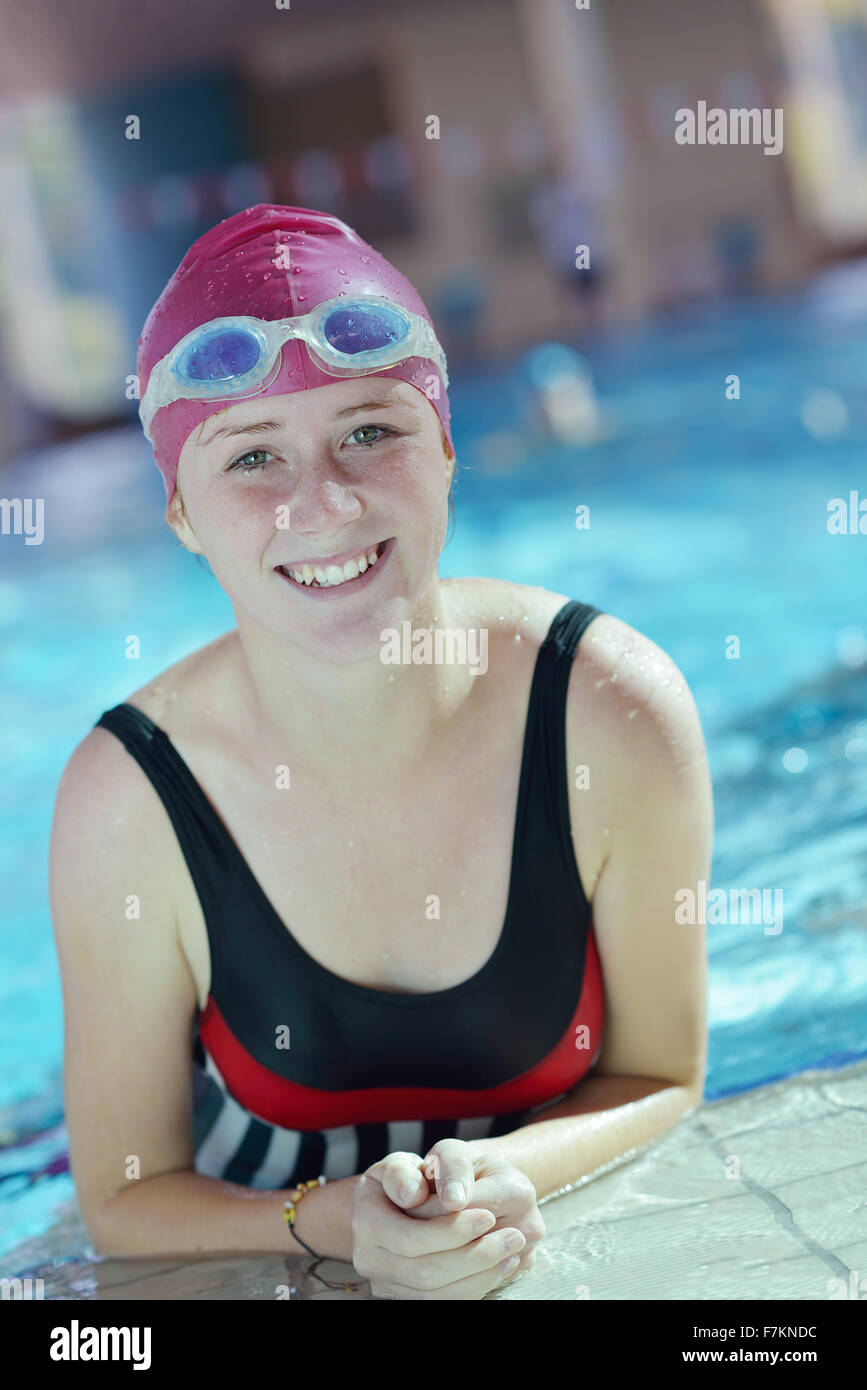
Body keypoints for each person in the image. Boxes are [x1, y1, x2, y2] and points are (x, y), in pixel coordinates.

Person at [49, 205, 712, 1301]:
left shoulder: (608, 709)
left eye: (370, 430)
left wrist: (485, 1182)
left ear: (447, 446)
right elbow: (124, 1198)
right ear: (180, 512)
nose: (325, 502)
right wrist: (339, 1223)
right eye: (252, 456)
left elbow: (664, 1072)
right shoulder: (130, 796)